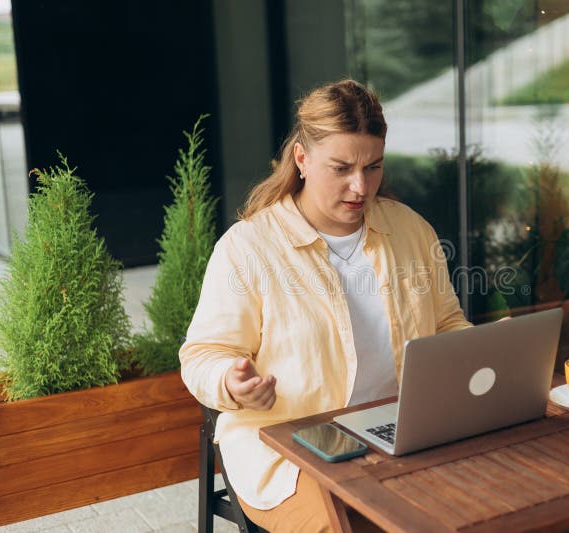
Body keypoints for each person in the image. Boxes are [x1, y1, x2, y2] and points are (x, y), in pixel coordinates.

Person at [179, 79, 471, 532]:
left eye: (372, 167)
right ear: (302, 159)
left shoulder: (411, 230)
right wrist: (232, 383)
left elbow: (448, 323)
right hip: (289, 445)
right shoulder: (248, 248)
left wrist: (487, 357)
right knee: (362, 525)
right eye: (341, 168)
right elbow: (201, 355)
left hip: (399, 426)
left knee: (499, 501)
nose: (360, 187)